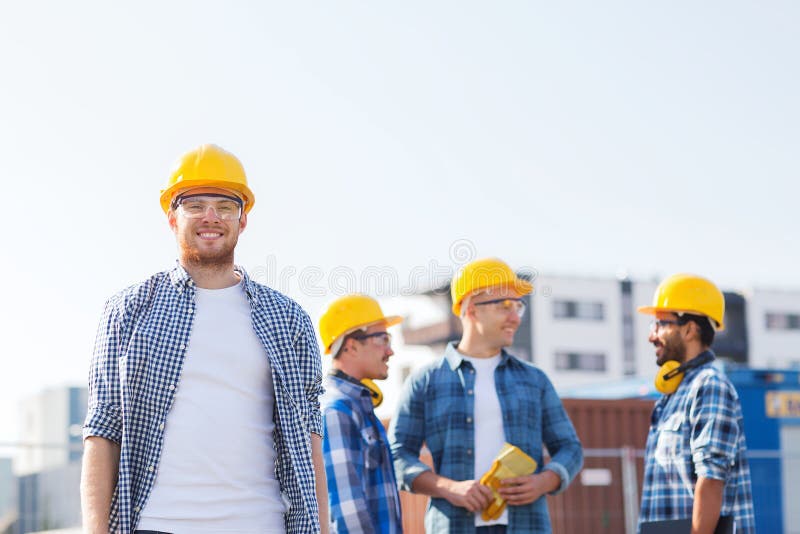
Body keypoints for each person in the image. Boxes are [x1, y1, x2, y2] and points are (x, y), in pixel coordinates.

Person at [80, 144, 328, 534]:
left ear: (243, 221)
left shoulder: (289, 319)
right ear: (171, 218)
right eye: (195, 205)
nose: (211, 217)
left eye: (225, 206)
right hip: (158, 525)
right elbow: (103, 429)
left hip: (262, 524)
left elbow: (309, 438)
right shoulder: (128, 312)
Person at [389, 257, 583, 534]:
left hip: (526, 525)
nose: (515, 317)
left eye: (519, 306)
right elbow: (397, 455)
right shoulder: (425, 382)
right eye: (505, 306)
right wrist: (449, 488)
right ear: (471, 309)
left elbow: (570, 448)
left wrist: (545, 481)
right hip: (454, 526)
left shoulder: (535, 381)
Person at [637, 274, 755, 533]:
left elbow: (711, 479)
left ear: (689, 329)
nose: (652, 336)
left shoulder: (709, 386)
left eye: (660, 324)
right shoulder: (674, 394)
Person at [319, 294, 404, 533]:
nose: (390, 351)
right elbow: (346, 511)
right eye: (383, 339)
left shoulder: (358, 407)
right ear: (351, 346)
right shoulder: (337, 412)